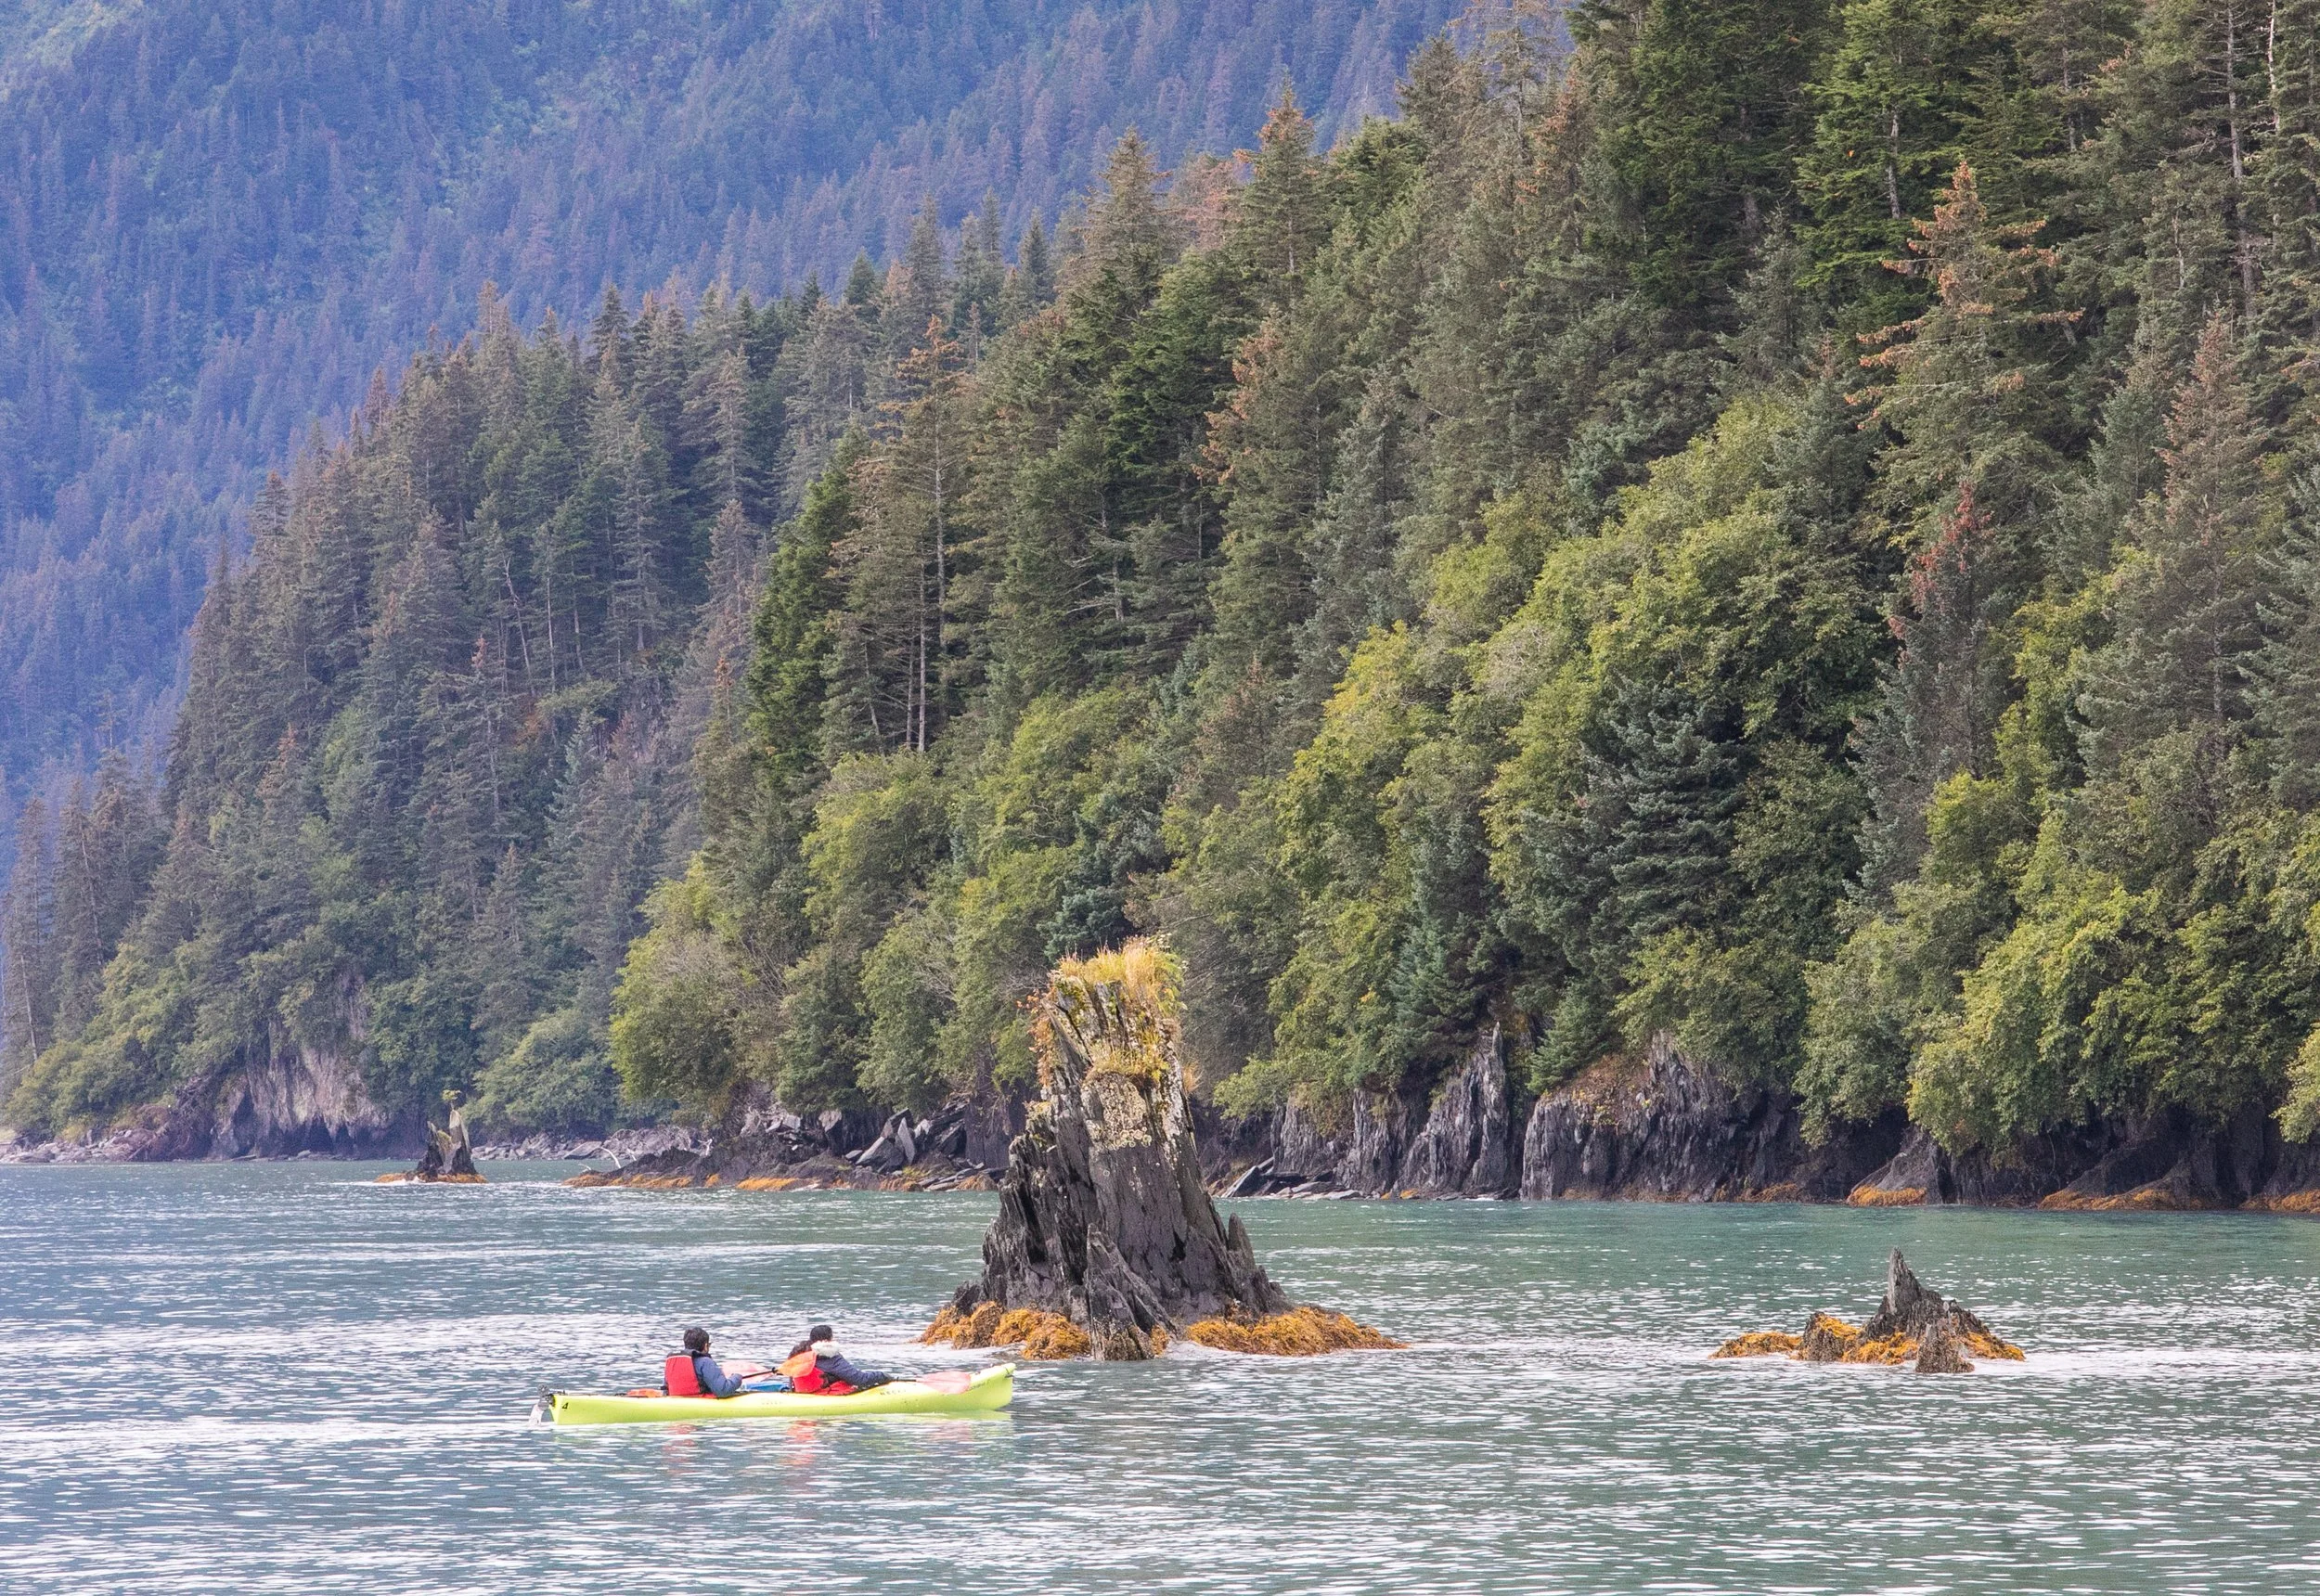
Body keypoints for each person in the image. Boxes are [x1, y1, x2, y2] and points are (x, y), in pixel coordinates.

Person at [781, 1323, 892, 1394]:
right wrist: (883, 1376)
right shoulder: (830, 1357)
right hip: (828, 1396)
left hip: (801, 1395)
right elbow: (860, 1379)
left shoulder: (799, 1354)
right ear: (829, 1339)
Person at [663, 1326, 752, 1397]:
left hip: (676, 1403)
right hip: (700, 1403)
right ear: (705, 1346)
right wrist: (737, 1377)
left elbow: (665, 1390)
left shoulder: (672, 1362)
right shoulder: (706, 1362)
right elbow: (723, 1390)